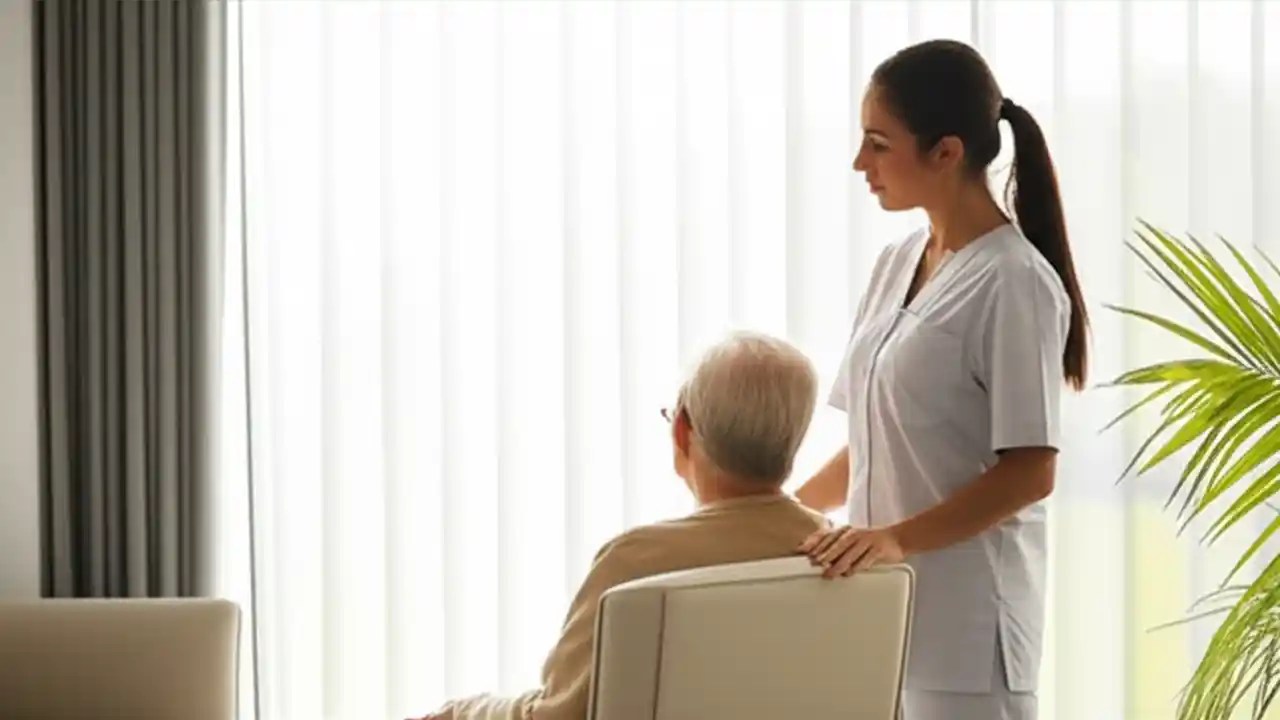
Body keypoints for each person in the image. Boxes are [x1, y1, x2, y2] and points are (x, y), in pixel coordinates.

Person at [794, 39, 1088, 720]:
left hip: (968, 639)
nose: (859, 163)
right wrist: (782, 515)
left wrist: (895, 537)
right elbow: (875, 440)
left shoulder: (1015, 283)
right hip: (884, 620)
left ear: (947, 152)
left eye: (878, 144)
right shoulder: (898, 262)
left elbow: (1030, 470)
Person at [414, 331, 829, 720]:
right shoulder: (842, 556)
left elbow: (557, 715)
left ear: (683, 432)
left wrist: (459, 712)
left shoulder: (637, 560)